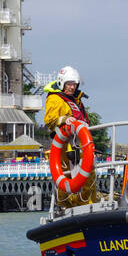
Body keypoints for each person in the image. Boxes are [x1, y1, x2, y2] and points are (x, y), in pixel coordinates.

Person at [43, 65, 98, 207]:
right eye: (69, 84)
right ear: (62, 83)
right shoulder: (55, 98)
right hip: (64, 147)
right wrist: (63, 119)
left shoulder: (76, 99)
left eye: (74, 84)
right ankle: (66, 205)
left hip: (80, 144)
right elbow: (50, 120)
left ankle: (87, 202)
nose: (72, 87)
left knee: (89, 173)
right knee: (65, 175)